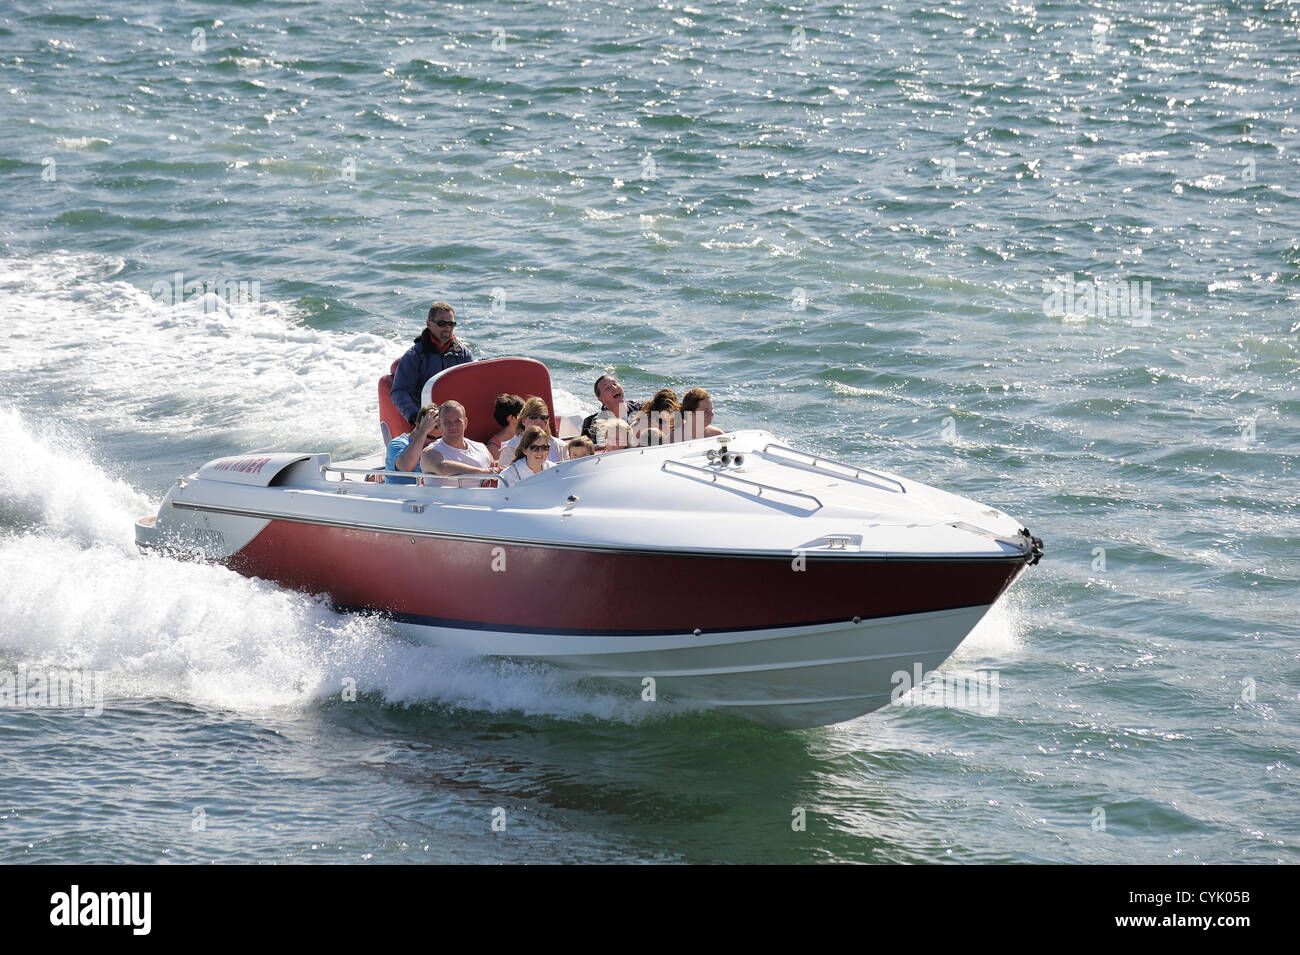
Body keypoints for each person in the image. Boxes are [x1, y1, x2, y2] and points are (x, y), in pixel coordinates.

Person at [390, 301, 474, 425]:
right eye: (442, 324)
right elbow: (400, 391)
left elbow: (471, 387)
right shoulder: (414, 355)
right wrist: (416, 418)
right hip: (427, 421)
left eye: (451, 324)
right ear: (429, 324)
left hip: (456, 419)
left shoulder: (463, 354)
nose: (447, 328)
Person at [419, 400, 498, 486]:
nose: (453, 426)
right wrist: (483, 472)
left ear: (465, 422)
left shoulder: (481, 448)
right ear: (439, 425)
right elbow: (443, 468)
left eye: (457, 421)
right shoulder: (429, 452)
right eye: (447, 422)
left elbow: (495, 471)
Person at [496, 397, 566, 466]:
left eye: (543, 418)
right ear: (523, 420)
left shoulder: (560, 446)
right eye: (533, 417)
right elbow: (506, 476)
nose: (539, 422)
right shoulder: (511, 448)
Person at [384, 403, 442, 485]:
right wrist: (424, 431)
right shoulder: (397, 444)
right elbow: (405, 467)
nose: (434, 442)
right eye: (430, 437)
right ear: (418, 427)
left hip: (427, 494)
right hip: (399, 495)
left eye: (439, 438)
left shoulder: (438, 444)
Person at [582, 375, 641, 444]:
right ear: (600, 399)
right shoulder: (593, 424)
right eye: (607, 388)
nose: (614, 388)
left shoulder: (641, 408)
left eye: (615, 383)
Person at [486, 394, 524, 460]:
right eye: (522, 413)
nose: (526, 416)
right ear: (511, 418)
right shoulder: (493, 448)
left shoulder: (527, 435)